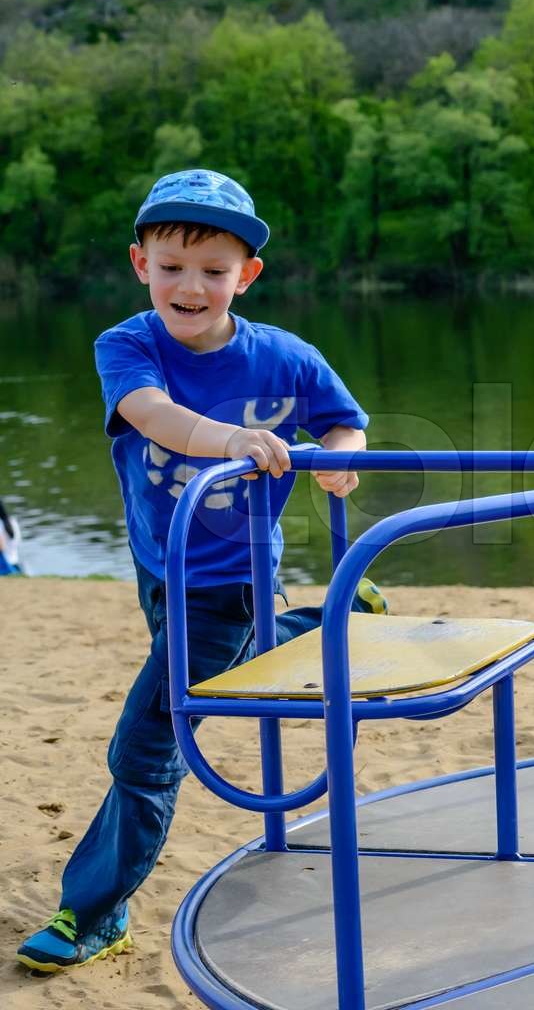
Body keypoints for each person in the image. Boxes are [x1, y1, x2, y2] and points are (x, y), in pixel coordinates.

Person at [17, 169, 383, 972]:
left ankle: (95, 912)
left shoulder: (287, 356)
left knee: (148, 748)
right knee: (246, 662)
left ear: (245, 276)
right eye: (172, 266)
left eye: (214, 271)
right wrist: (230, 441)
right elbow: (152, 415)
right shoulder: (128, 344)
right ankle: (331, 618)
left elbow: (344, 423)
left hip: (231, 578)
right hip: (161, 570)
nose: (192, 287)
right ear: (139, 263)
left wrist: (338, 463)